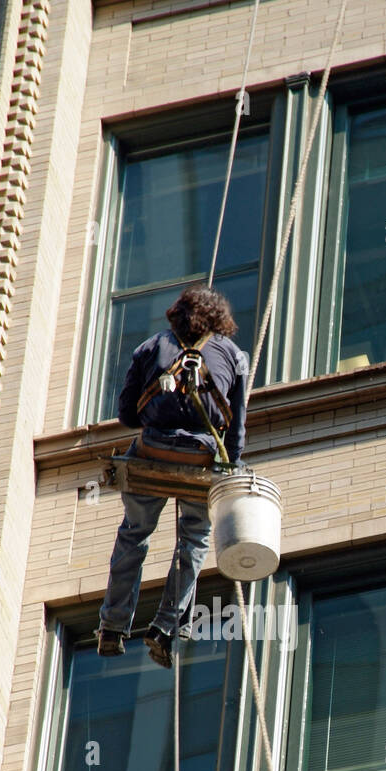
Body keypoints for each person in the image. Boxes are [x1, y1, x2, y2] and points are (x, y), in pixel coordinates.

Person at [96, 285, 249, 668]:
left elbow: (128, 415)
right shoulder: (233, 355)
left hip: (152, 452)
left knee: (134, 533)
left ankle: (113, 627)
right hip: (200, 457)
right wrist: (229, 466)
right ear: (221, 321)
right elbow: (237, 428)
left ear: (176, 314)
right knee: (193, 541)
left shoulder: (150, 346)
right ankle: (165, 627)